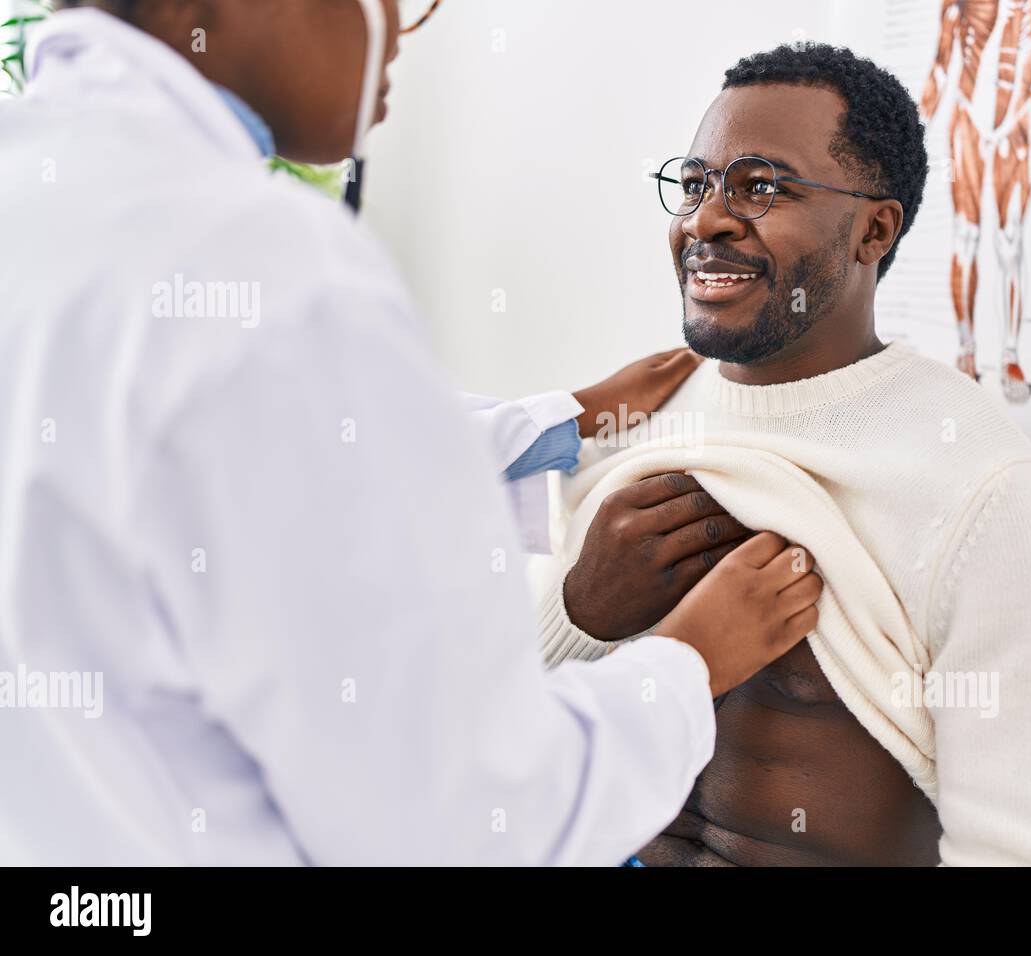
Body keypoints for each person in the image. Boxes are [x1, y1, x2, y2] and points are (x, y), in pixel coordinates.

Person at [0, 0, 822, 865]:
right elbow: (461, 823)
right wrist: (685, 664)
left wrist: (562, 421)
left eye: (762, 187)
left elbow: (228, 463)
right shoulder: (271, 274)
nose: (400, 30)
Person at [539, 44, 1031, 866]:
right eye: (697, 184)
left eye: (759, 187)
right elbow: (481, 746)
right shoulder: (640, 418)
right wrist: (577, 613)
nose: (705, 220)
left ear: (873, 230)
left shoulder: (983, 491)